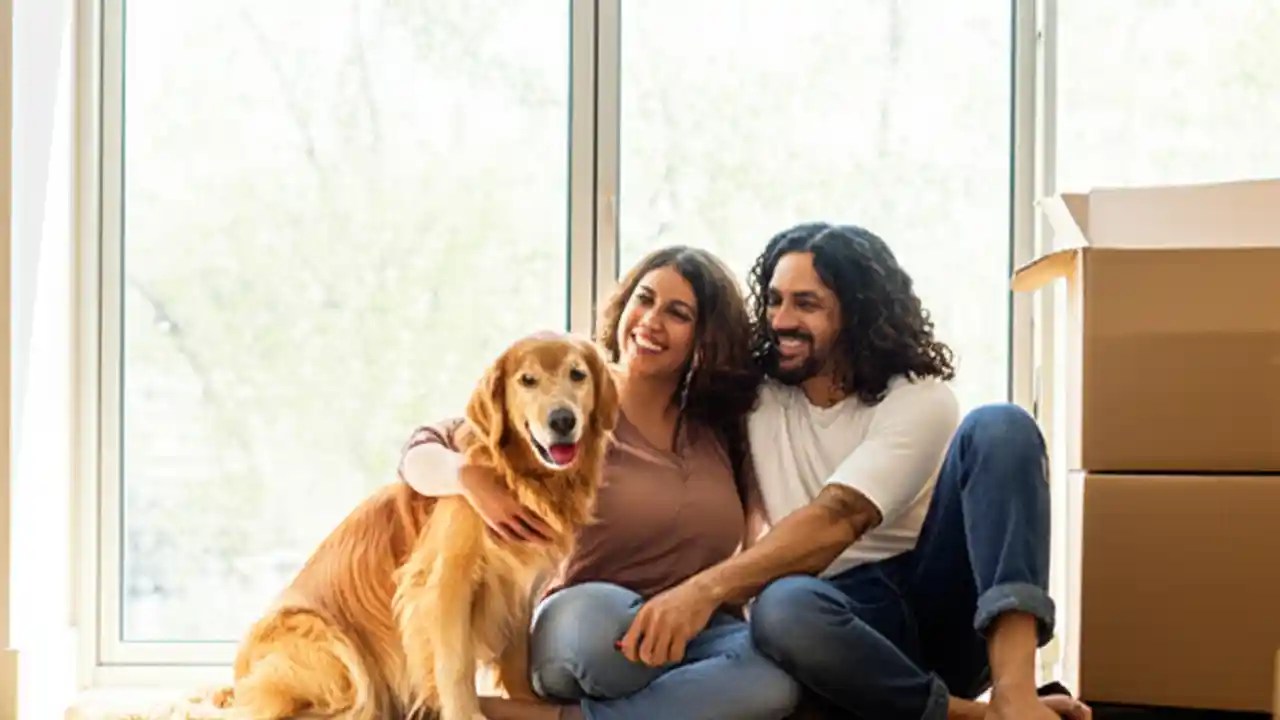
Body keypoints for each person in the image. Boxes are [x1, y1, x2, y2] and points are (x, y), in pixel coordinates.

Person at [617, 223, 1091, 720]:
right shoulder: (756, 393)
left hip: (933, 607)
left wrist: (703, 590)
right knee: (783, 605)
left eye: (806, 304)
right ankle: (975, 717)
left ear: (858, 314)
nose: (781, 320)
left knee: (1001, 426)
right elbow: (656, 381)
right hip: (831, 627)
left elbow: (839, 518)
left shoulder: (919, 398)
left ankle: (1016, 693)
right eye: (774, 301)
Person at [397, 246, 802, 720]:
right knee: (594, 639)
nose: (650, 321)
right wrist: (467, 477)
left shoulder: (721, 427)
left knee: (774, 682)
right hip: (587, 620)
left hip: (691, 628)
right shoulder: (574, 392)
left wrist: (709, 601)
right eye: (644, 299)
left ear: (706, 336)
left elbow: (757, 537)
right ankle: (678, 704)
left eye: (677, 313)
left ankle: (565, 718)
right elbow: (421, 448)